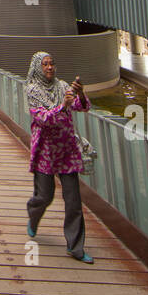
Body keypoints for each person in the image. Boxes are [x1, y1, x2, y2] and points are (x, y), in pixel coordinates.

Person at [25, 52, 94, 264]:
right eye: (45, 64)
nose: (49, 68)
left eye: (52, 63)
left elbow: (82, 107)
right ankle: (34, 215)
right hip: (45, 150)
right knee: (44, 196)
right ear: (37, 68)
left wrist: (81, 95)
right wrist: (63, 106)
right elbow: (44, 118)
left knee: (73, 200)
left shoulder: (62, 86)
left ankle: (75, 246)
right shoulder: (32, 90)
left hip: (66, 150)